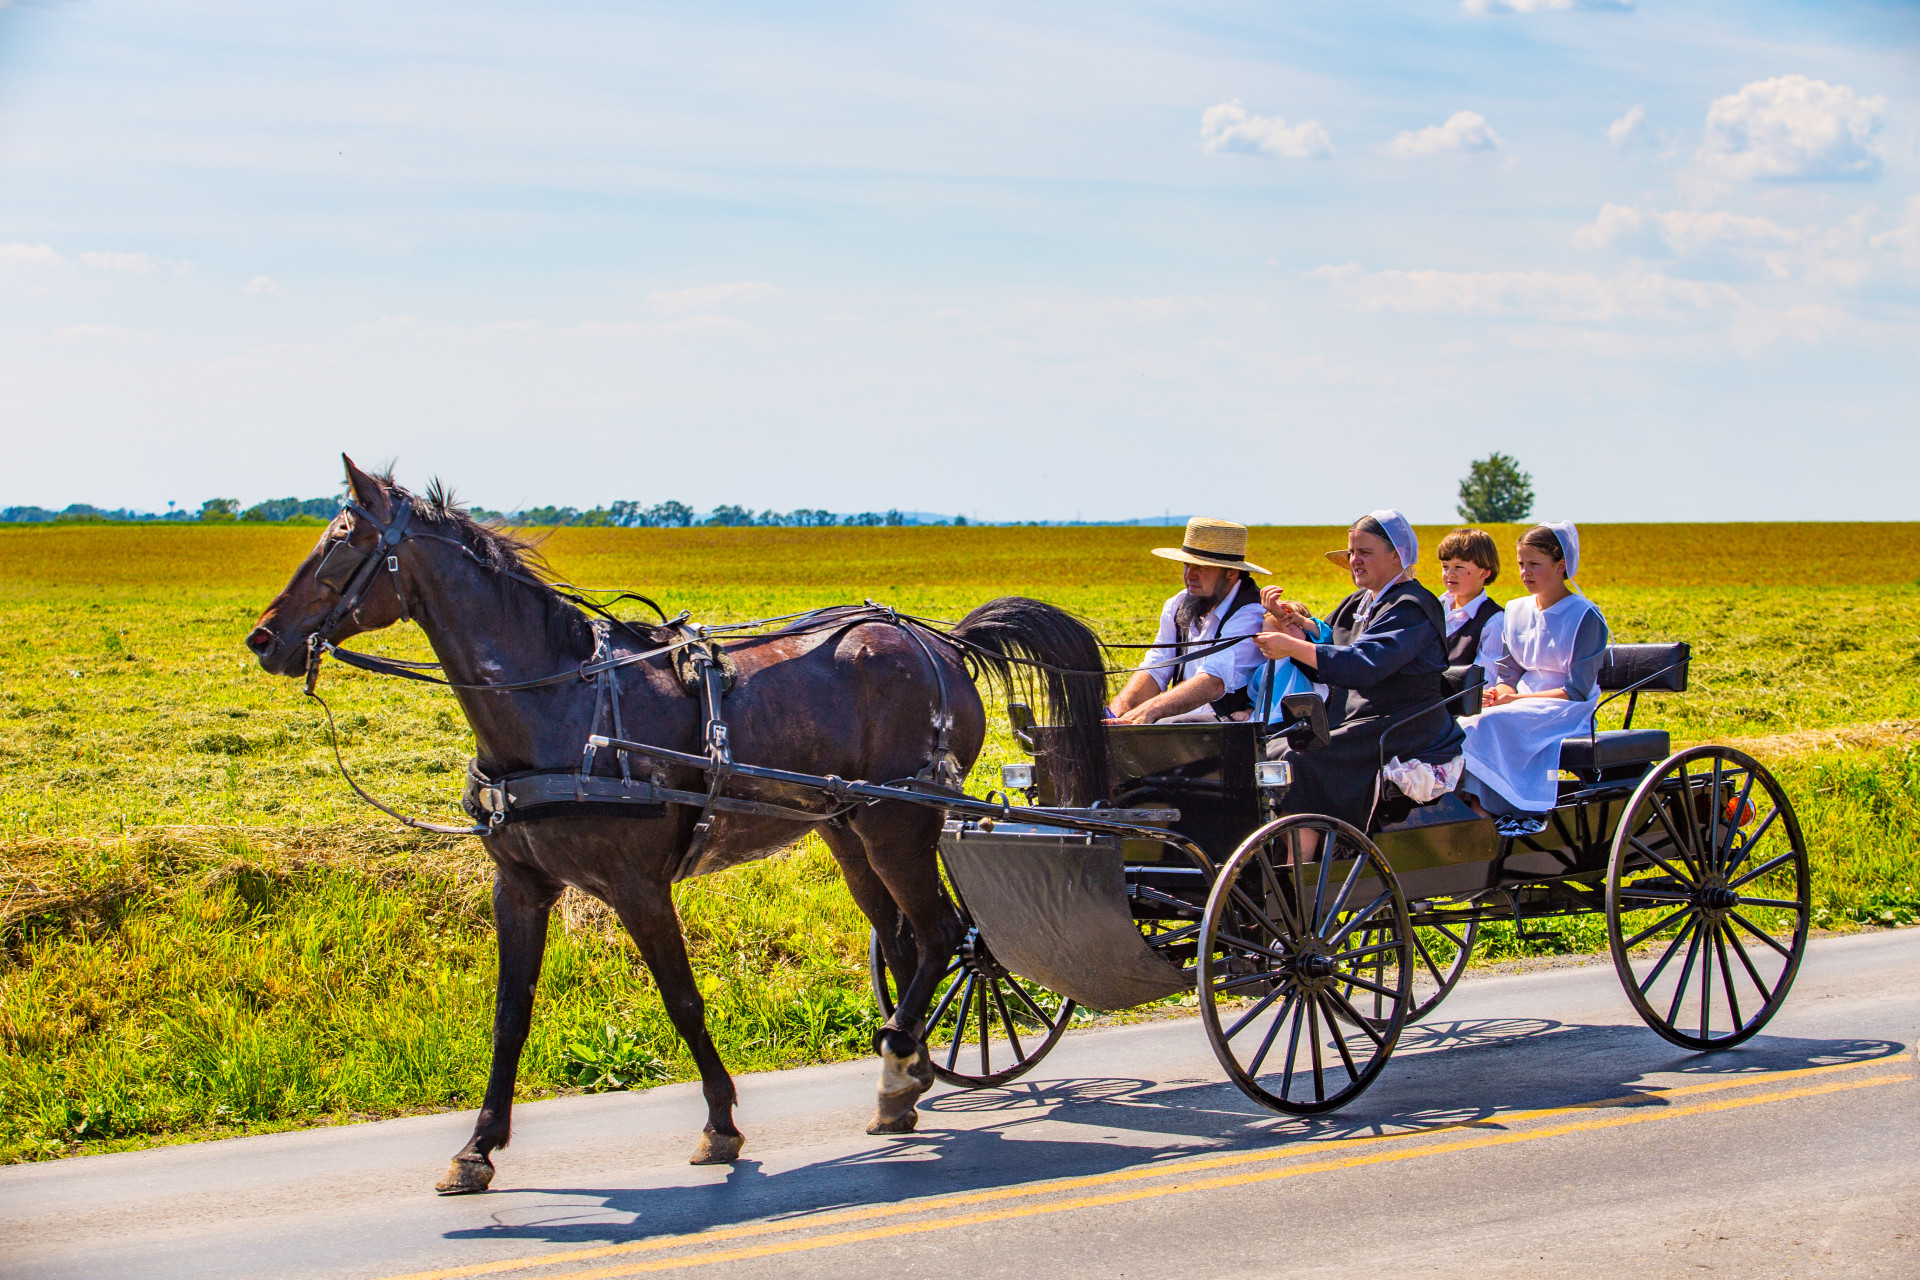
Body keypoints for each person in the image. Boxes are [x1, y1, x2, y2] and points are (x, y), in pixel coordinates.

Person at [1252, 510, 1463, 832]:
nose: (1354, 560)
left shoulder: (1412, 606)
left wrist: (1293, 646)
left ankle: (1301, 865)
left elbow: (1362, 665)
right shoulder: (1358, 602)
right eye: (1352, 552)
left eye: (1365, 552)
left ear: (1397, 556)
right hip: (1357, 718)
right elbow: (1332, 651)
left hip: (1403, 724)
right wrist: (1293, 626)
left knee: (1298, 761)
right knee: (1268, 749)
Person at [1458, 522, 1610, 838]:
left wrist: (1515, 701)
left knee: (1490, 723)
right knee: (1468, 720)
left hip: (1566, 708)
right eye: (1521, 564)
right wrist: (1500, 693)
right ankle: (1476, 803)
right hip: (1523, 700)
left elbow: (1578, 690)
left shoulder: (1585, 616)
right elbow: (1509, 672)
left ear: (1561, 565)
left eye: (1534, 565)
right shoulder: (1517, 610)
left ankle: (1500, 809)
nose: (1525, 573)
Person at [1106, 517, 1270, 725]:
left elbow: (1213, 682)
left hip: (1232, 726)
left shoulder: (1251, 613)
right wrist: (1116, 713)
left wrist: (1150, 711)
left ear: (1231, 572)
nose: (1190, 575)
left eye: (1202, 567)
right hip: (1185, 724)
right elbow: (1156, 667)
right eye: (1186, 565)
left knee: (1163, 725)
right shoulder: (1177, 604)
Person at [1436, 528, 1506, 684]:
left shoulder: (1493, 621)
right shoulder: (1433, 609)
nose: (1449, 574)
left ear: (1484, 572)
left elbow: (1483, 683)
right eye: (1445, 566)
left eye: (1459, 567)